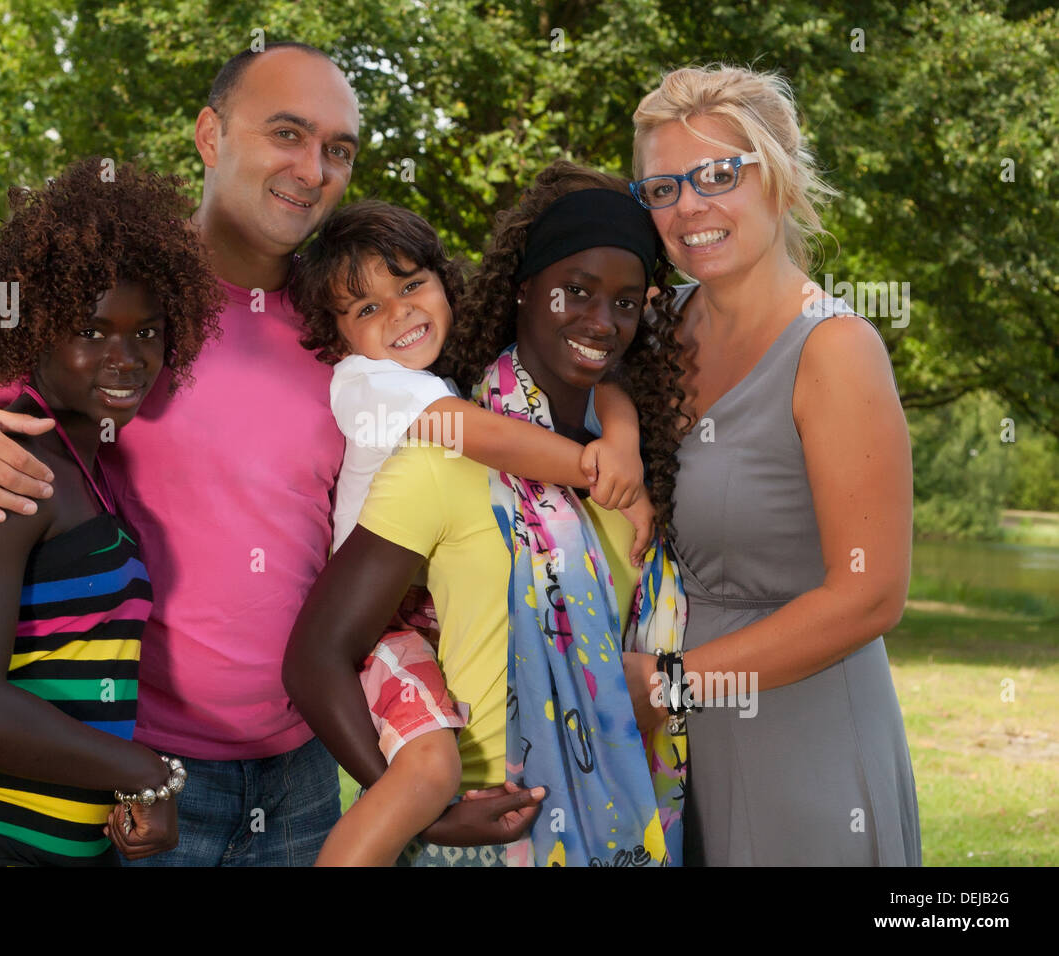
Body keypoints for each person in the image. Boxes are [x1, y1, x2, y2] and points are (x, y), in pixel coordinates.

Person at [0, 43, 362, 866]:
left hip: (301, 773)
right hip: (135, 774)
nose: (313, 168)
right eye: (287, 132)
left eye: (339, 149)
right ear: (211, 135)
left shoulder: (347, 325)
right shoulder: (108, 297)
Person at [284, 161, 689, 866]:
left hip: (613, 824)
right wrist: (426, 814)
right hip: (480, 832)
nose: (599, 319)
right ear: (523, 288)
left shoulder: (629, 478)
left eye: (625, 302)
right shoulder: (434, 444)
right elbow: (316, 655)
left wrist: (617, 451)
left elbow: (659, 678)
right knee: (424, 766)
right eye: (575, 291)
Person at [0, 158, 222, 866]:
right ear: (33, 332)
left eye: (146, 332)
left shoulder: (81, 465)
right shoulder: (9, 464)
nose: (125, 359)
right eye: (90, 333)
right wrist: (150, 776)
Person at [620, 64, 921, 865]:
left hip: (800, 742)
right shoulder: (648, 329)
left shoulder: (836, 351)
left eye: (718, 174)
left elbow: (871, 596)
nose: (689, 206)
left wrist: (665, 685)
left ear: (779, 178)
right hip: (671, 766)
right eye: (661, 188)